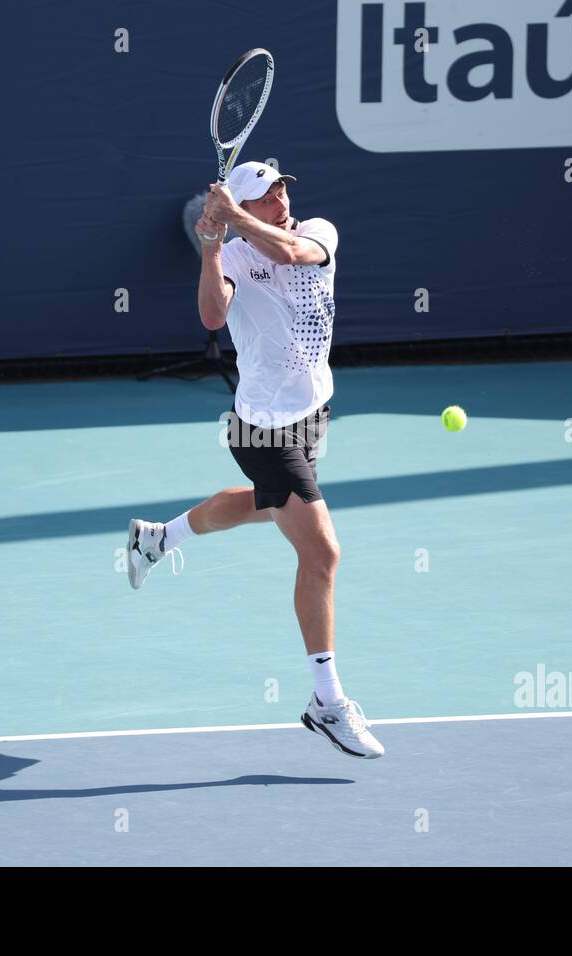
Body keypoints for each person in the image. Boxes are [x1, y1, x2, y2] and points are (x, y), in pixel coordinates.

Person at [125, 161, 384, 759]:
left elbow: (294, 254)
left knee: (265, 509)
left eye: (282, 189)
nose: (282, 199)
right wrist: (212, 248)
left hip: (314, 413)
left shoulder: (318, 231)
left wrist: (235, 215)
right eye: (267, 196)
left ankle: (157, 539)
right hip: (263, 431)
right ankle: (327, 701)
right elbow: (213, 317)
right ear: (246, 210)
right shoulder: (237, 256)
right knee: (321, 553)